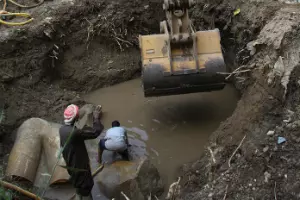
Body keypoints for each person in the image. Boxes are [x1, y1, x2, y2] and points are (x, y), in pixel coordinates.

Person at [59, 104, 104, 200]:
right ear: (76, 117)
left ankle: (79, 196)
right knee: (86, 188)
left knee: (78, 187)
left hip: (71, 165)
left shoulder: (62, 130)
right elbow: (95, 132)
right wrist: (96, 118)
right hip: (80, 168)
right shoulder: (75, 133)